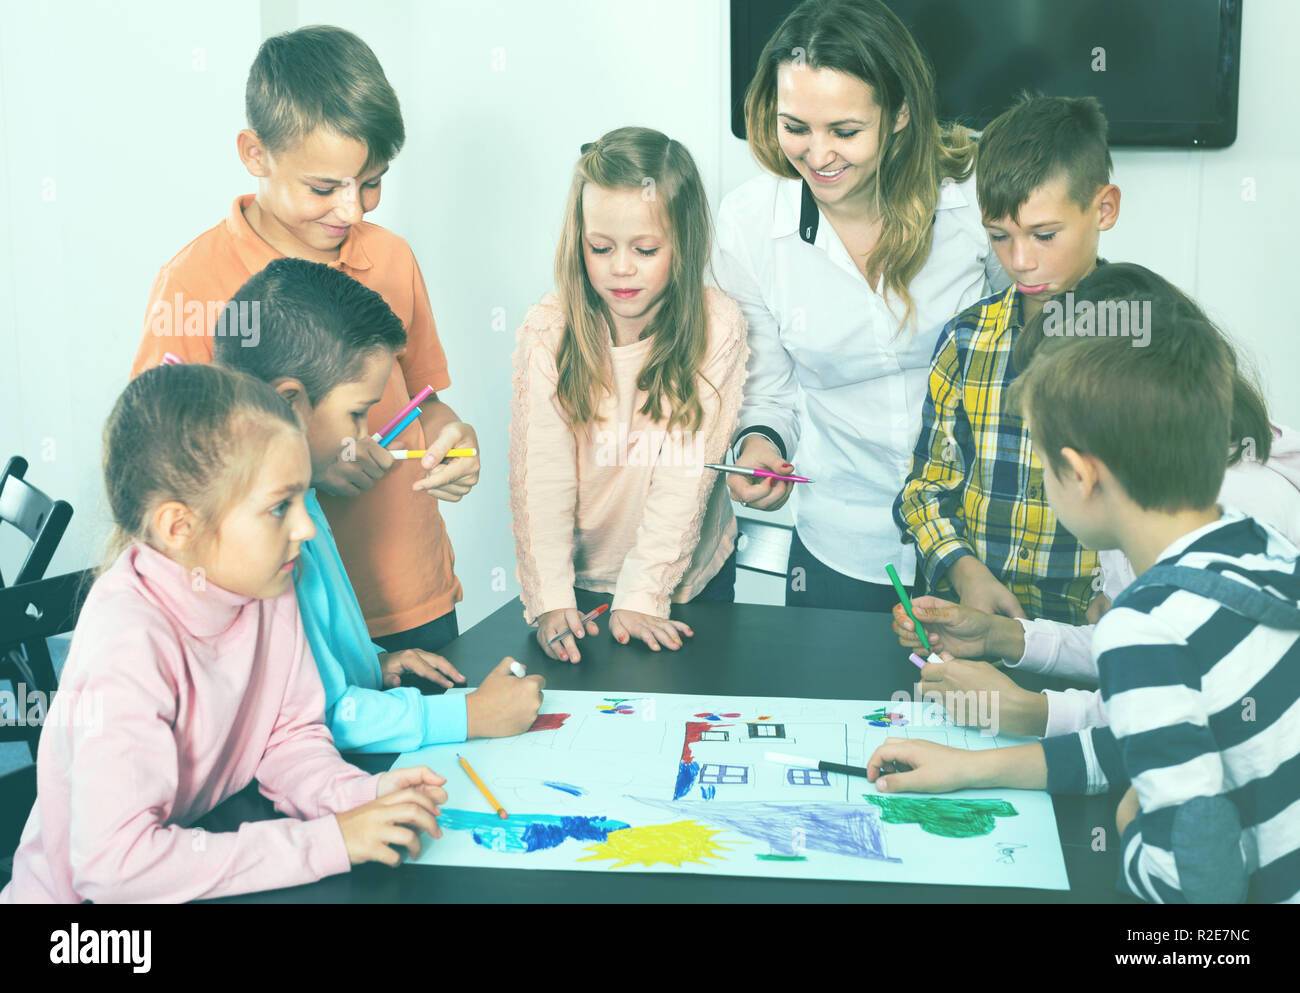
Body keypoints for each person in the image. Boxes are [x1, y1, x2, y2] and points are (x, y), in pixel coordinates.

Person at [868, 282, 1300, 903]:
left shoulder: (1144, 629)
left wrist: (1133, 838)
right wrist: (968, 768)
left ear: (1080, 474)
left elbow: (1201, 882)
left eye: (1044, 463)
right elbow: (1127, 740)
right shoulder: (1254, 547)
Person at [1, 365, 446, 903]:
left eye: (303, 501)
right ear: (179, 527)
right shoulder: (127, 643)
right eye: (280, 507)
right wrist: (327, 842)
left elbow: (288, 738)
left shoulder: (266, 582)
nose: (305, 529)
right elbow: (113, 869)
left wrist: (356, 796)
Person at [129, 25, 477, 653]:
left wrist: (456, 437)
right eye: (325, 188)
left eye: (371, 181)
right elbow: (157, 473)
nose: (353, 211)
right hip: (281, 623)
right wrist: (309, 468)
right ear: (255, 154)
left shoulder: (392, 259)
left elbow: (421, 398)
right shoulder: (194, 283)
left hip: (412, 596)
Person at [715, 0, 1007, 611]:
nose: (818, 156)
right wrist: (761, 446)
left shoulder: (978, 191)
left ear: (901, 112)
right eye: (794, 127)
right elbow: (769, 390)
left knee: (979, 707)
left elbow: (1031, 352)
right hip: (841, 545)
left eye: (845, 132)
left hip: (984, 537)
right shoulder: (746, 225)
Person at [216, 259, 544, 753]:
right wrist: (470, 714)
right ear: (289, 402)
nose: (365, 434)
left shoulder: (293, 487)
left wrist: (369, 662)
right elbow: (317, 714)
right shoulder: (255, 537)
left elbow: (318, 648)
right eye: (356, 413)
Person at [510, 127, 748, 660]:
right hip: (582, 579)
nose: (621, 268)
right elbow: (542, 477)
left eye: (645, 249)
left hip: (686, 579)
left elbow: (685, 475)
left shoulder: (718, 325)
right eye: (600, 247)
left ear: (683, 243)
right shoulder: (548, 330)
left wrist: (643, 593)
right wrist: (550, 595)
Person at [894, 93, 1121, 625]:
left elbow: (1180, 506)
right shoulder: (967, 340)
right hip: (977, 631)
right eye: (999, 236)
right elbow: (925, 490)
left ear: (1103, 209)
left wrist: (1129, 592)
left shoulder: (1146, 341)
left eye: (1044, 235)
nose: (1020, 260)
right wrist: (963, 570)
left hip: (1091, 643)